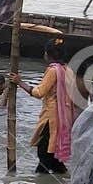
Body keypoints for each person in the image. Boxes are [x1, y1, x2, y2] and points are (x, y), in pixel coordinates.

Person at [13, 38, 84, 175]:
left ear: (47, 54)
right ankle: (54, 182)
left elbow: (39, 92)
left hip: (52, 117)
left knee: (44, 154)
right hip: (65, 115)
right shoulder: (68, 69)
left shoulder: (53, 71)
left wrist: (20, 82)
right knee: (52, 156)